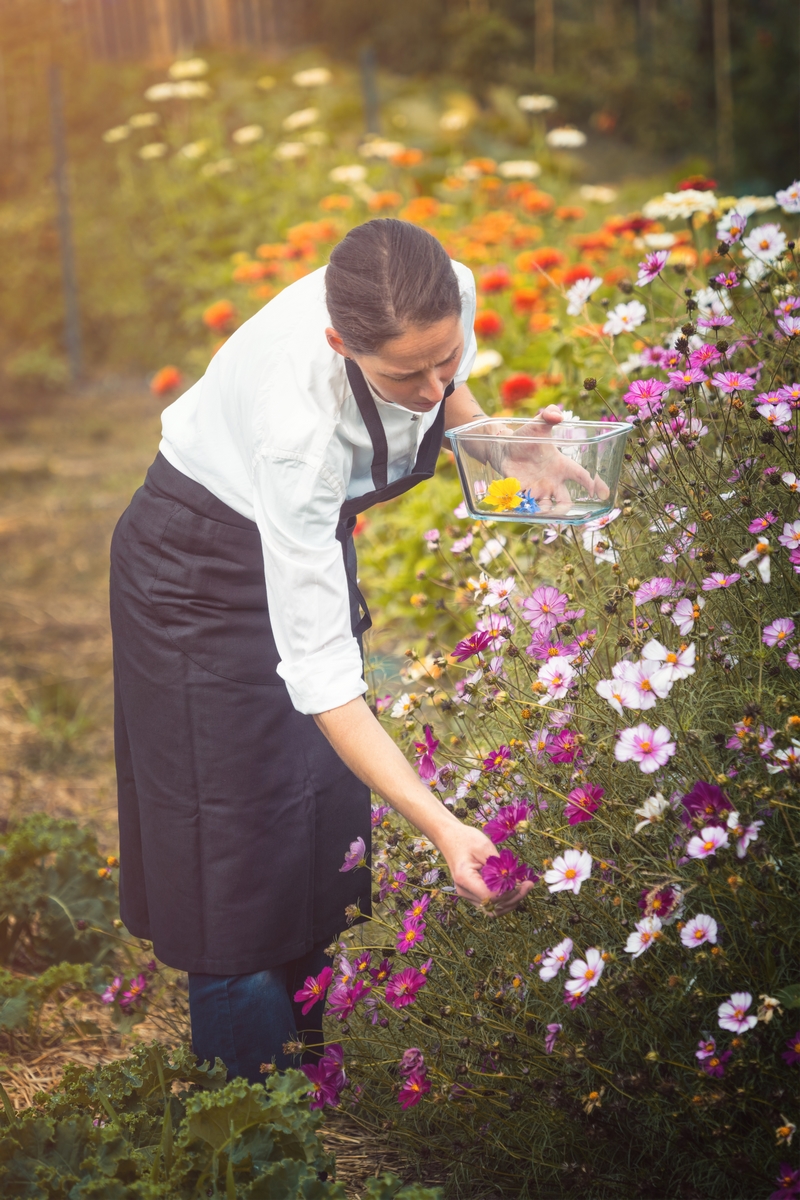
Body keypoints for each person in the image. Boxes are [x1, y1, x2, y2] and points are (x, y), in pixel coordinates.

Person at [109, 218, 596, 1084]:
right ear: (340, 343)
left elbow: (450, 394)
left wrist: (493, 442)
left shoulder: (444, 292)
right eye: (406, 374)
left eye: (446, 360)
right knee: (233, 860)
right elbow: (329, 682)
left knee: (315, 816)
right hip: (192, 577)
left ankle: (307, 1084)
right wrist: (446, 829)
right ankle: (255, 1126)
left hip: (296, 547)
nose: (433, 384)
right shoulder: (296, 433)